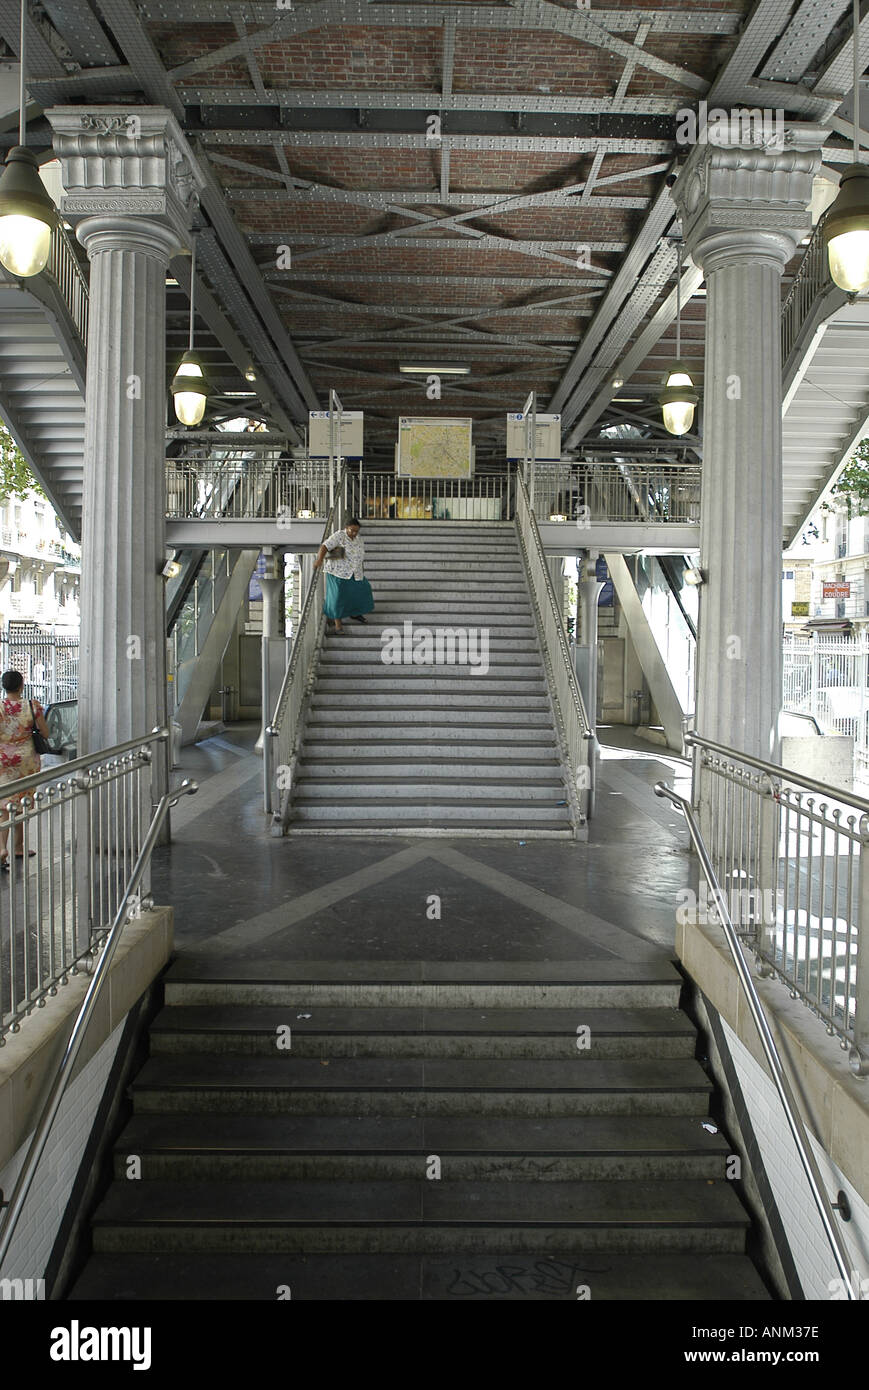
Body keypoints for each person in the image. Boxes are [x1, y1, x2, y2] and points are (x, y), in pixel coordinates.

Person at [0, 669, 49, 869]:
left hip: (3, 760)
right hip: (27, 761)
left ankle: (2, 847)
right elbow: (45, 733)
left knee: (5, 803)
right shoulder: (33, 705)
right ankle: (18, 846)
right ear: (21, 686)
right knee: (22, 800)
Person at [313, 516, 375, 634]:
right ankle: (338, 626)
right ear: (346, 528)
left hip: (355, 572)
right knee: (338, 598)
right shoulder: (339, 536)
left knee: (363, 590)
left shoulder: (358, 538)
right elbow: (324, 546)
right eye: (352, 530)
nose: (354, 533)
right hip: (338, 572)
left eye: (356, 531)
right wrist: (319, 560)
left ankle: (355, 613)